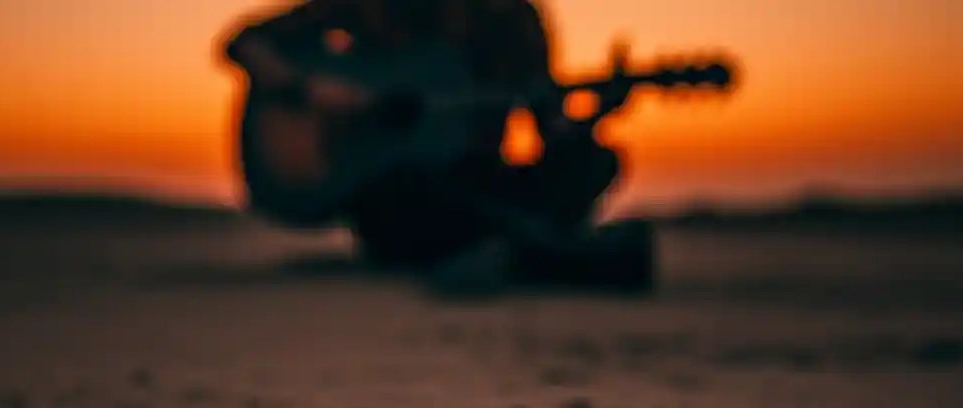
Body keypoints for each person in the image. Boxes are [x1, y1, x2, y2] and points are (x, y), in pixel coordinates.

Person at [222, 0, 652, 290]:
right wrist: (307, 90)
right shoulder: (373, 7)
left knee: (588, 163)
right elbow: (244, 42)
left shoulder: (512, 21)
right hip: (392, 190)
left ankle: (511, 250)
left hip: (471, 177)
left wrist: (595, 114)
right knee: (401, 200)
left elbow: (550, 128)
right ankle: (550, 253)